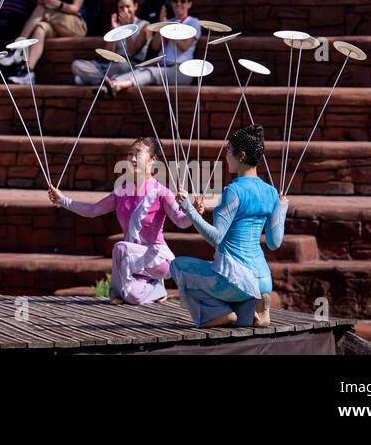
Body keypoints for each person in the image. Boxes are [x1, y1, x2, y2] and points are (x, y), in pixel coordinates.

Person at [48, 137, 193, 304]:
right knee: (133, 297)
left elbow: (181, 222)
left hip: (158, 259)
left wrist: (192, 211)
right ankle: (157, 289)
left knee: (120, 247)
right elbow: (92, 211)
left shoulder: (162, 192)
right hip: (134, 262)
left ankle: (115, 293)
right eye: (129, 154)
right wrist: (62, 200)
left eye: (138, 154)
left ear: (153, 161)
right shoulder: (121, 192)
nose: (132, 158)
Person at [173, 124, 288, 328]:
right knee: (241, 324)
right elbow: (274, 243)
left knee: (178, 266)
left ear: (241, 155)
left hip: (234, 279)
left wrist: (188, 208)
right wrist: (282, 208)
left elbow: (216, 237)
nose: (226, 155)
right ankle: (256, 307)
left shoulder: (233, 191)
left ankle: (214, 314)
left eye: (228, 150)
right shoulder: (271, 192)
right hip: (263, 279)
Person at [11, 0, 95, 84]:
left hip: (77, 25)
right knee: (40, 28)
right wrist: (41, 0)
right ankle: (28, 71)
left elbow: (75, 8)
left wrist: (57, 3)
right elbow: (41, 1)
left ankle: (19, 44)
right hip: (54, 24)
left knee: (42, 10)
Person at [110, 0, 202, 95]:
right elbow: (155, 46)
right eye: (175, 1)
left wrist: (168, 30)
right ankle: (113, 83)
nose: (178, 4)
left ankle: (120, 85)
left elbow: (185, 46)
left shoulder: (193, 22)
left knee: (151, 72)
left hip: (182, 69)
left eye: (183, 1)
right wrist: (162, 25)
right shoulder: (167, 22)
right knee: (142, 70)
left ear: (189, 4)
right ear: (171, 3)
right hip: (163, 65)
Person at [70, 0, 150, 93]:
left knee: (79, 80)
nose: (125, 10)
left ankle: (97, 79)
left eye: (128, 6)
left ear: (135, 6)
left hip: (130, 65)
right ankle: (106, 81)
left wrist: (127, 28)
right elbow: (107, 55)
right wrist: (114, 31)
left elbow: (132, 51)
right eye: (121, 7)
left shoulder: (144, 26)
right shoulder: (117, 25)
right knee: (76, 65)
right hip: (110, 66)